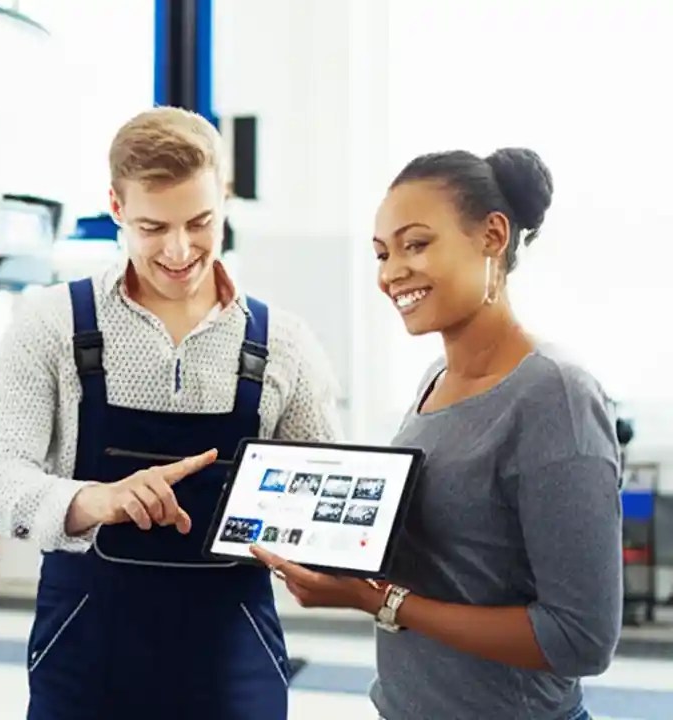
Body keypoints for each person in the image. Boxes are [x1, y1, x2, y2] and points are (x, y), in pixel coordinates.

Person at [0, 105, 344, 719]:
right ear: (116, 208)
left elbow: (324, 494)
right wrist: (97, 500)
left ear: (224, 199)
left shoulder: (284, 344)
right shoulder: (52, 325)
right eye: (153, 227)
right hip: (87, 656)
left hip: (233, 663)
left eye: (200, 222)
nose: (179, 249)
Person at [251, 147, 623, 720]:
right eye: (382, 253)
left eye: (416, 244)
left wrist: (380, 601)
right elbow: (453, 563)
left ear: (492, 236)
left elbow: (581, 639)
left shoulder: (556, 395)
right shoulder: (435, 380)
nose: (391, 272)